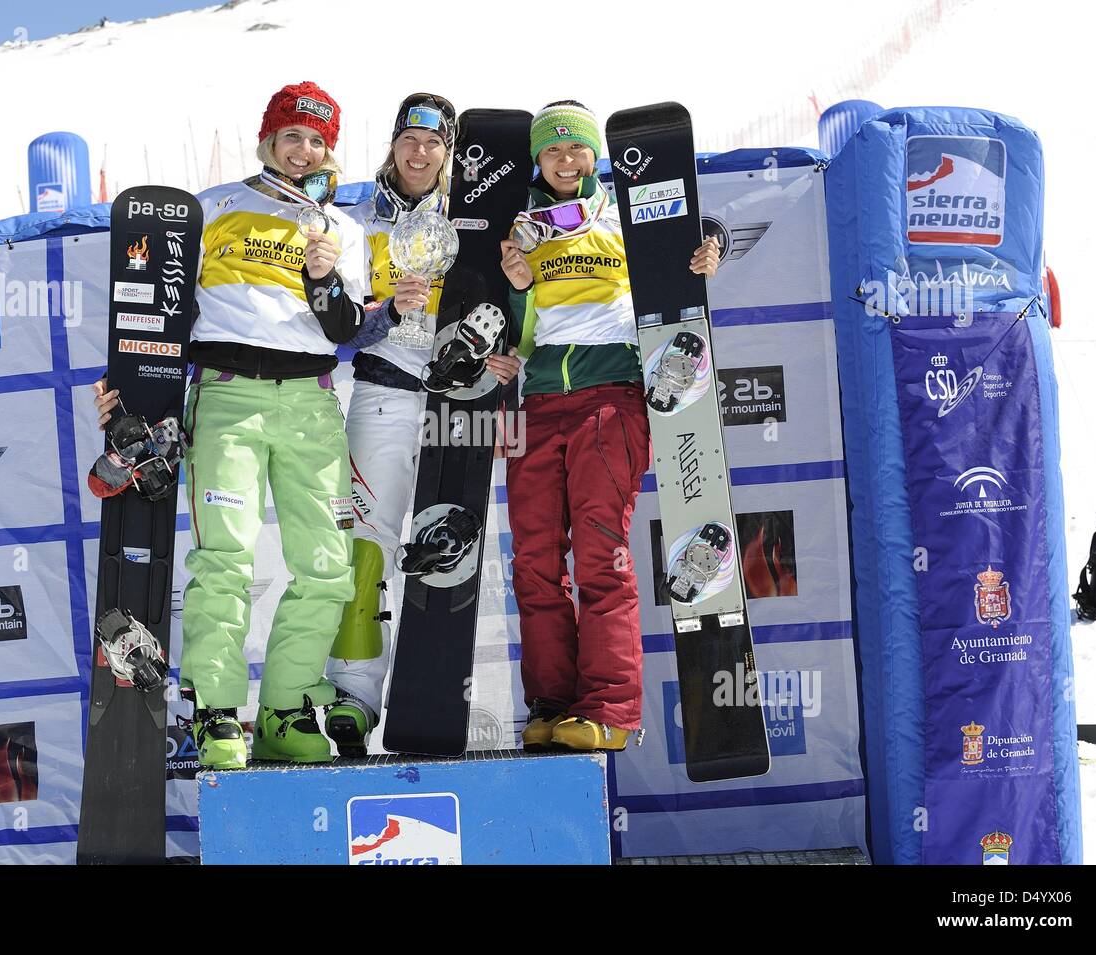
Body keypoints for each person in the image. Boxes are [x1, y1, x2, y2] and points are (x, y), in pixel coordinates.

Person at [94, 81, 371, 766]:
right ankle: (217, 713)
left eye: (316, 141)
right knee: (224, 559)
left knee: (328, 567)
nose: (303, 150)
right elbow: (158, 319)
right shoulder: (212, 208)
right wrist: (126, 392)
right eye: (292, 136)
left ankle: (284, 707)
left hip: (311, 401)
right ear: (269, 139)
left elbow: (347, 330)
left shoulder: (344, 228)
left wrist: (326, 279)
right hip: (228, 398)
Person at [499, 100, 720, 752]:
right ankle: (553, 702)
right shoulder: (523, 224)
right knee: (536, 563)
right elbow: (519, 328)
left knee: (600, 556)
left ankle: (611, 708)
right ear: (538, 159)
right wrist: (515, 287)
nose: (566, 161)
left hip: (611, 398)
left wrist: (714, 250)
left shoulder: (623, 212)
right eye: (553, 151)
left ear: (594, 154)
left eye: (576, 149)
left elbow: (699, 233)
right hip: (538, 403)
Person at [324, 94, 520, 754]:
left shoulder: (471, 216)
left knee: (447, 546)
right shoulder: (355, 221)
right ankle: (352, 696)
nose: (420, 152)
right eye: (410, 138)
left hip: (456, 399)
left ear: (450, 153)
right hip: (383, 392)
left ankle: (443, 695)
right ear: (393, 144)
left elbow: (510, 296)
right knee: (367, 543)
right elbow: (335, 321)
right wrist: (382, 308)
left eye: (434, 144)